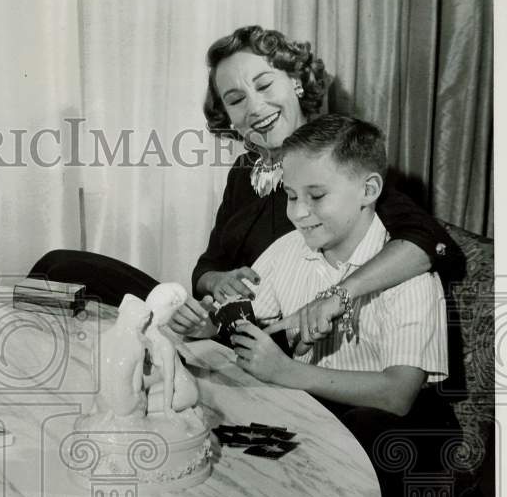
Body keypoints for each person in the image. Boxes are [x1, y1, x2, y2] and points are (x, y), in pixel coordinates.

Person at [184, 113, 456, 497]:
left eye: (316, 196)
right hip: (324, 401)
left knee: (369, 433)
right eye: (290, 195)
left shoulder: (412, 276)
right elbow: (248, 320)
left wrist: (287, 372)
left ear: (369, 189)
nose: (298, 212)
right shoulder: (291, 249)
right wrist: (208, 325)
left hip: (401, 420)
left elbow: (399, 394)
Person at [170, 25, 461, 343]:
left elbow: (432, 242)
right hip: (230, 331)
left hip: (293, 346)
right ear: (227, 117)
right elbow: (206, 267)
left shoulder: (335, 156)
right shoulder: (243, 172)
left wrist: (338, 296)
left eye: (265, 85)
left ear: (295, 82)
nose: (254, 107)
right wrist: (219, 281)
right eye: (237, 100)